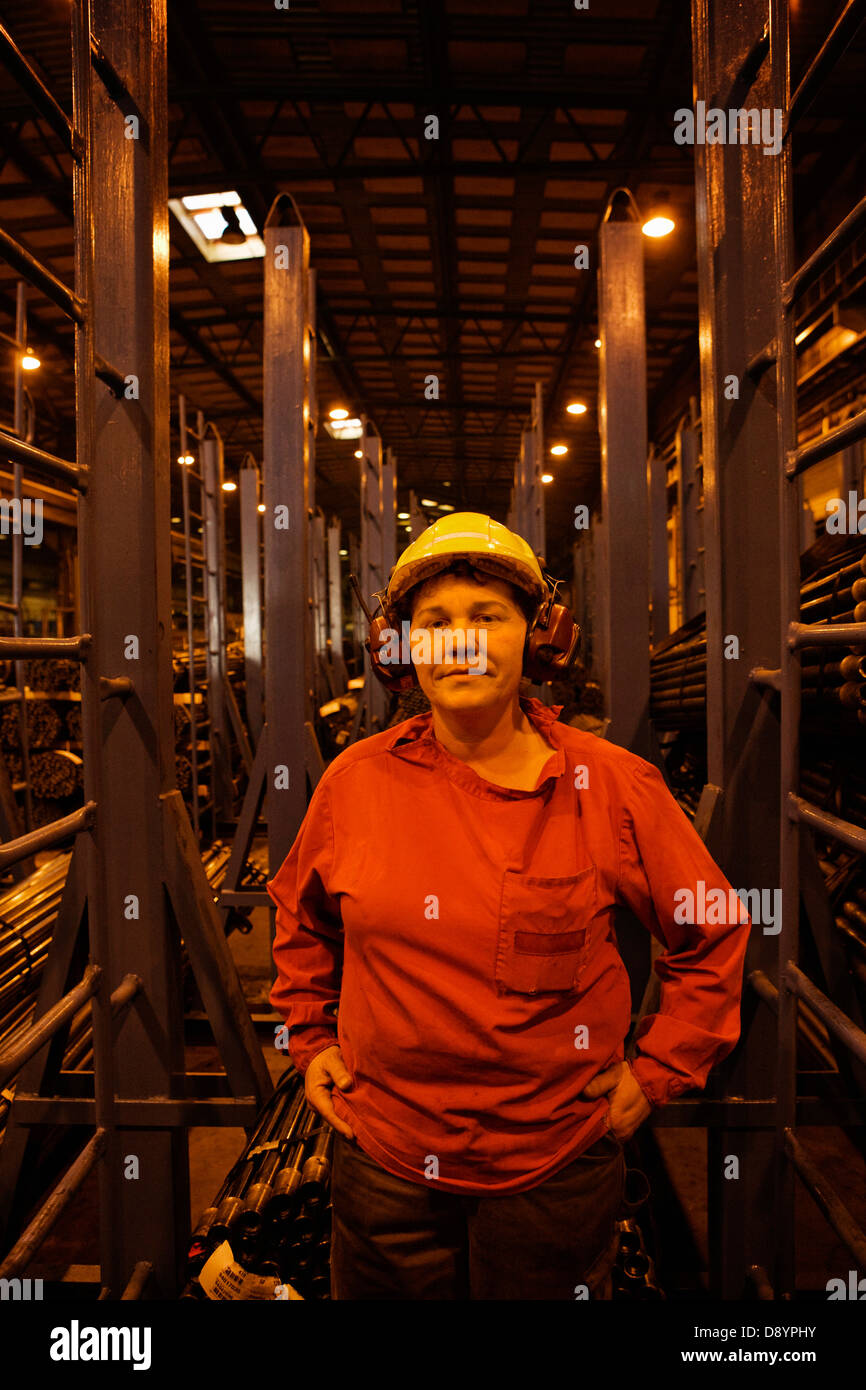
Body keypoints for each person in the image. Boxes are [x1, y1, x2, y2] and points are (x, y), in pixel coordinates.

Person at [266, 512, 752, 1300]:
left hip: (552, 1167)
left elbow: (712, 928)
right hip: (383, 1157)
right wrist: (309, 1035)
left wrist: (662, 1069)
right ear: (404, 648)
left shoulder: (611, 785)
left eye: (487, 618)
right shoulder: (354, 782)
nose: (460, 642)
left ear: (540, 637)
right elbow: (300, 919)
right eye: (435, 623)